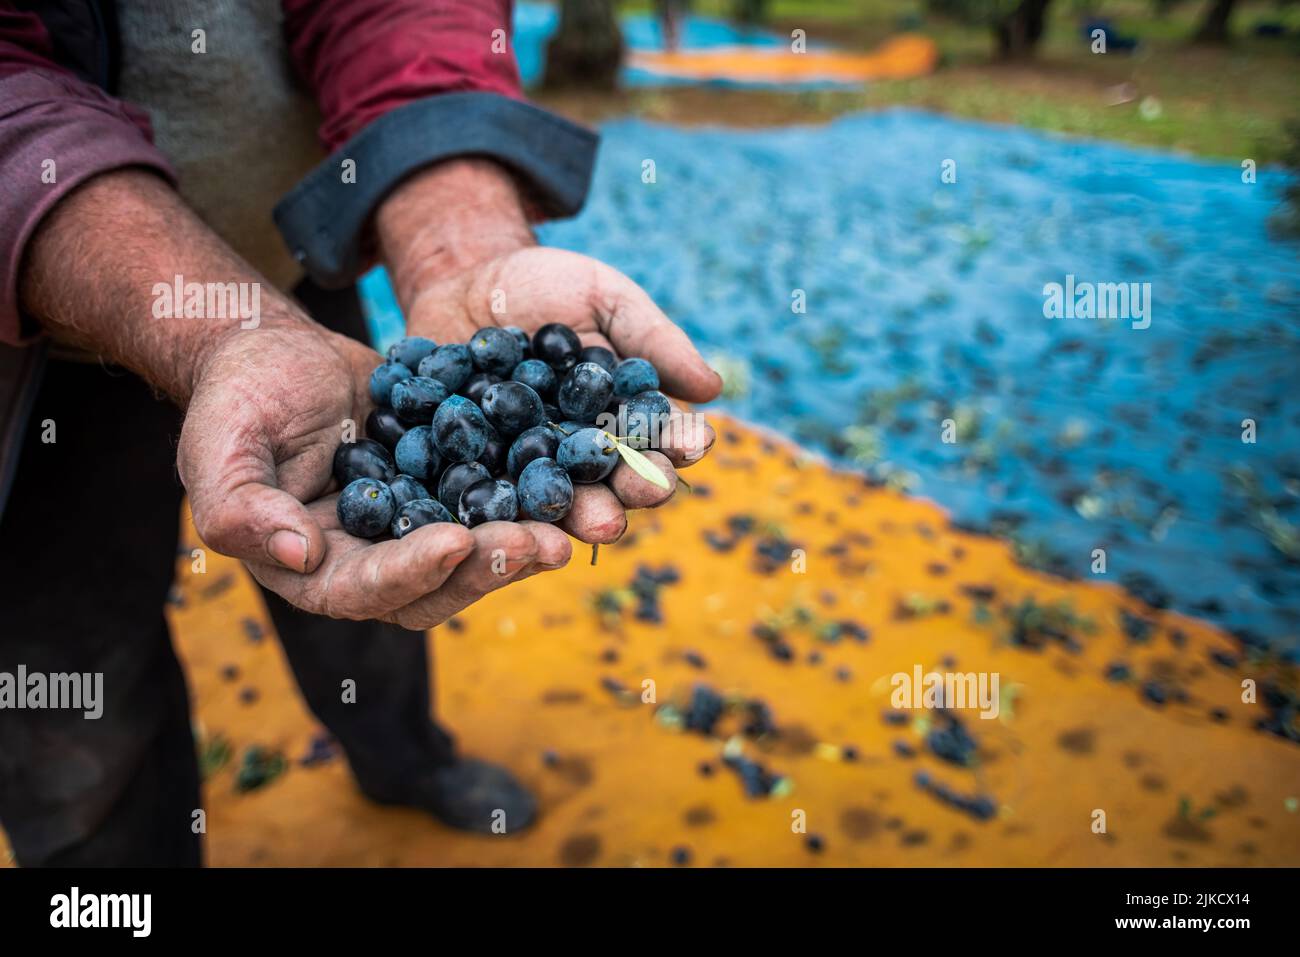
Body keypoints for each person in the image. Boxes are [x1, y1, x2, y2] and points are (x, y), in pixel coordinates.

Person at [0, 0, 721, 866]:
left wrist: (458, 241)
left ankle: (406, 761)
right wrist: (213, 328)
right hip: (35, 358)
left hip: (291, 311)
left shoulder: (382, 395)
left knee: (369, 586)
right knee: (74, 691)